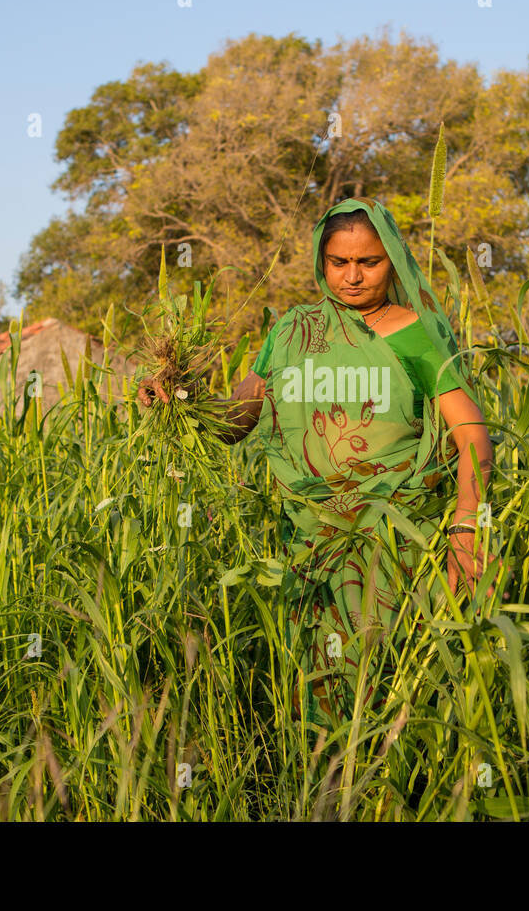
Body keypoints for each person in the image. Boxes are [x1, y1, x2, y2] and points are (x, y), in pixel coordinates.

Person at [137, 196, 495, 726]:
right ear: (320, 262)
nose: (352, 277)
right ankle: (329, 790)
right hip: (308, 537)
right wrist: (180, 399)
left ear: (392, 260)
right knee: (320, 682)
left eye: (368, 263)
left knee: (381, 676)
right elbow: (239, 419)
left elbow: (471, 432)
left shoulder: (414, 333)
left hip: (391, 533)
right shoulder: (292, 331)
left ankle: (384, 790)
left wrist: (468, 524)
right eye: (338, 263)